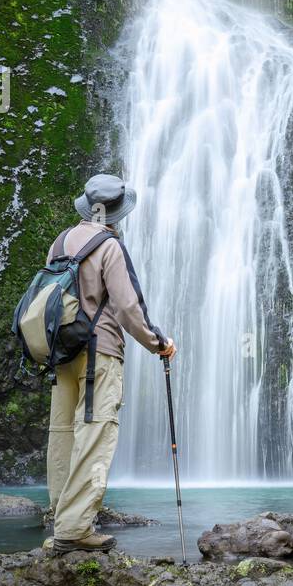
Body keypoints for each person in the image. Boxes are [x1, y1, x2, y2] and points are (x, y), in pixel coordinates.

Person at [46, 173, 175, 553]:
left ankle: (60, 516)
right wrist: (159, 344)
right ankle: (74, 529)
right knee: (95, 433)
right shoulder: (109, 246)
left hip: (61, 352)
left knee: (63, 434)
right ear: (118, 213)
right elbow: (127, 307)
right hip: (98, 353)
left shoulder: (60, 242)